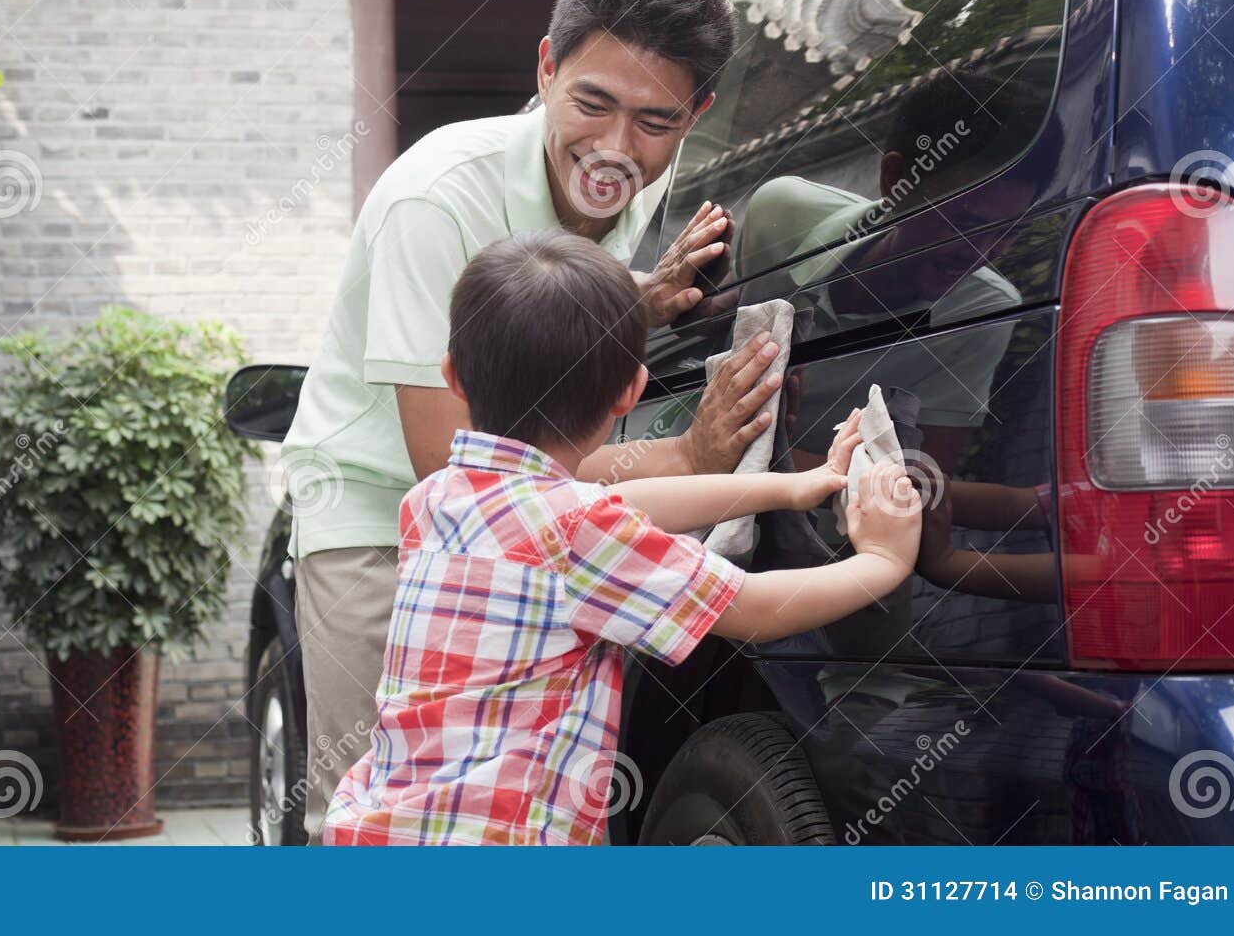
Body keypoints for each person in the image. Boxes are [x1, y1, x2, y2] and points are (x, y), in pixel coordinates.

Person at [280, 0, 786, 840]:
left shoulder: (630, 194)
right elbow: (468, 474)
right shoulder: (435, 200)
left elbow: (534, 329)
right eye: (592, 103)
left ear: (696, 112)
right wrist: (685, 455)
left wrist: (637, 297)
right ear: (546, 68)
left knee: (509, 819)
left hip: (527, 530)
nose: (617, 147)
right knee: (377, 819)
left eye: (654, 121)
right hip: (380, 522)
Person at [321, 231, 922, 845]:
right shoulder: (576, 531)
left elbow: (612, 506)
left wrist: (789, 488)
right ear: (631, 391)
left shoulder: (432, 502)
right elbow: (753, 609)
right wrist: (882, 559)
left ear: (453, 377)